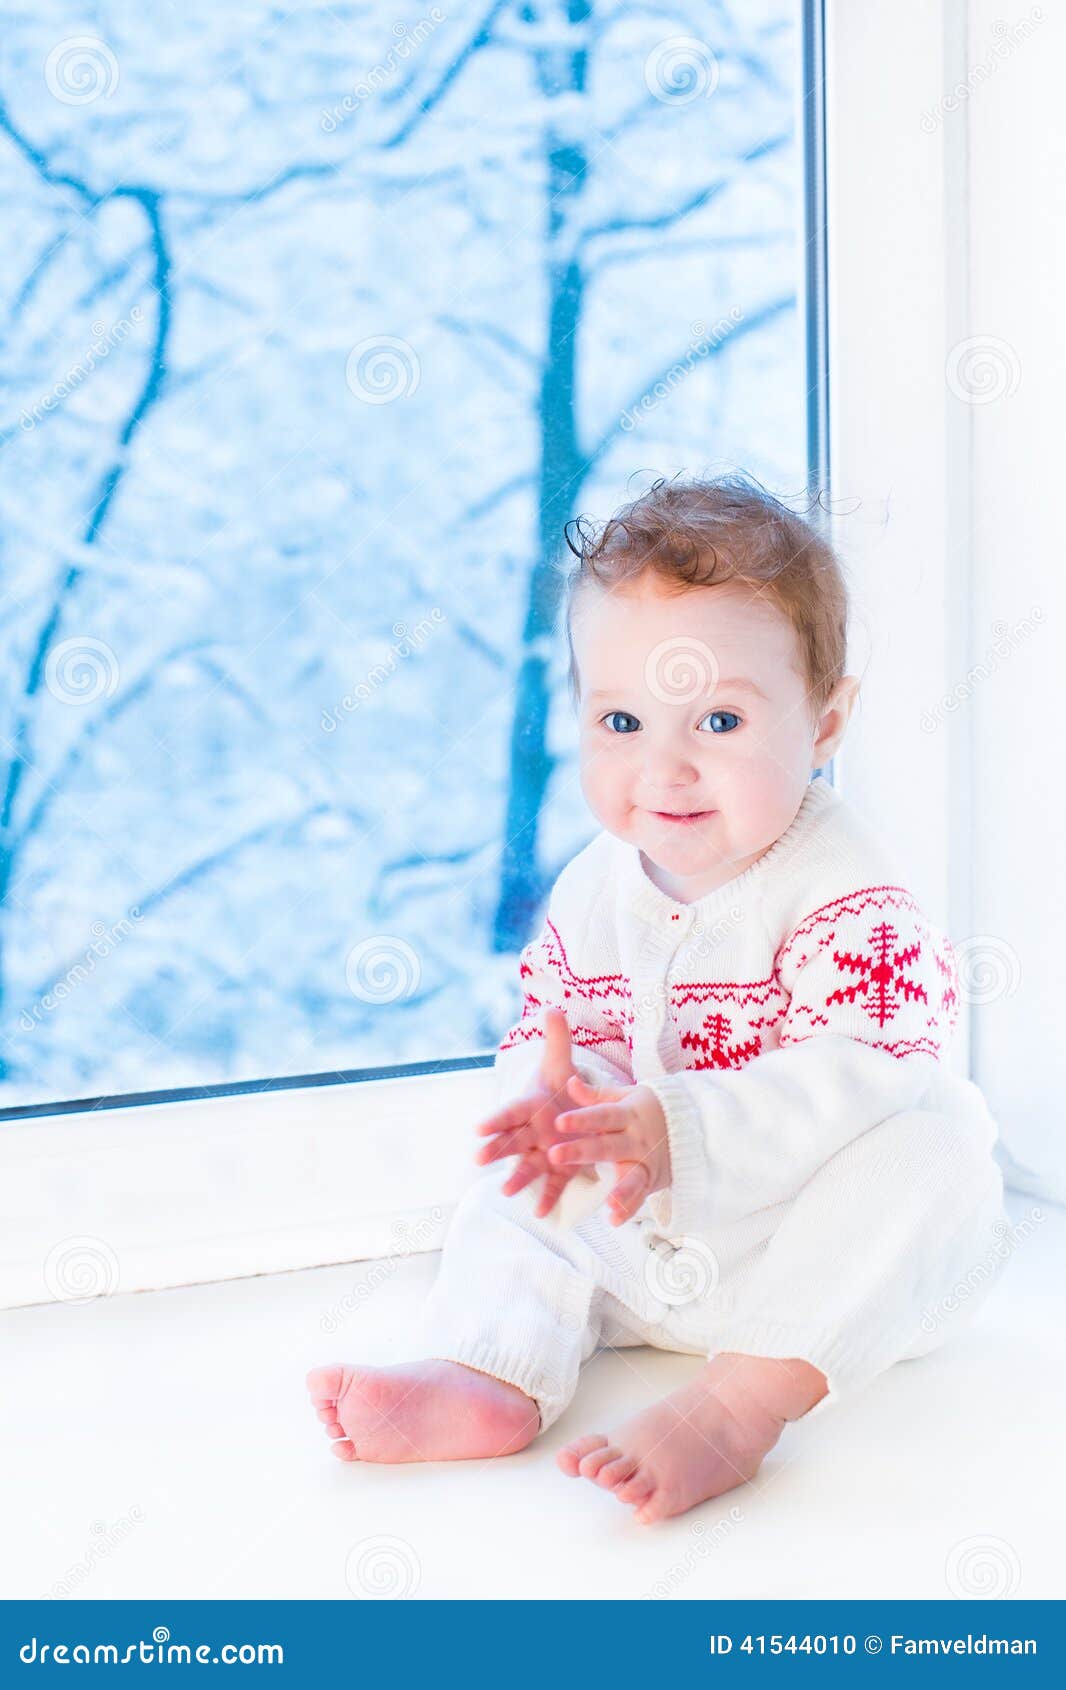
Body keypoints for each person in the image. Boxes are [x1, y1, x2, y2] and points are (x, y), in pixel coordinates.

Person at [308, 474, 1006, 1525]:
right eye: (623, 719)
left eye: (718, 718)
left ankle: (736, 1406)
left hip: (812, 1260)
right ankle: (492, 1367)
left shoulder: (849, 894)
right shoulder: (597, 884)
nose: (665, 767)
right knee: (526, 1167)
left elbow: (864, 1074)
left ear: (824, 723)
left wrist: (671, 1128)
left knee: (940, 1150)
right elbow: (556, 1025)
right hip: (648, 1247)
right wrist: (561, 1104)